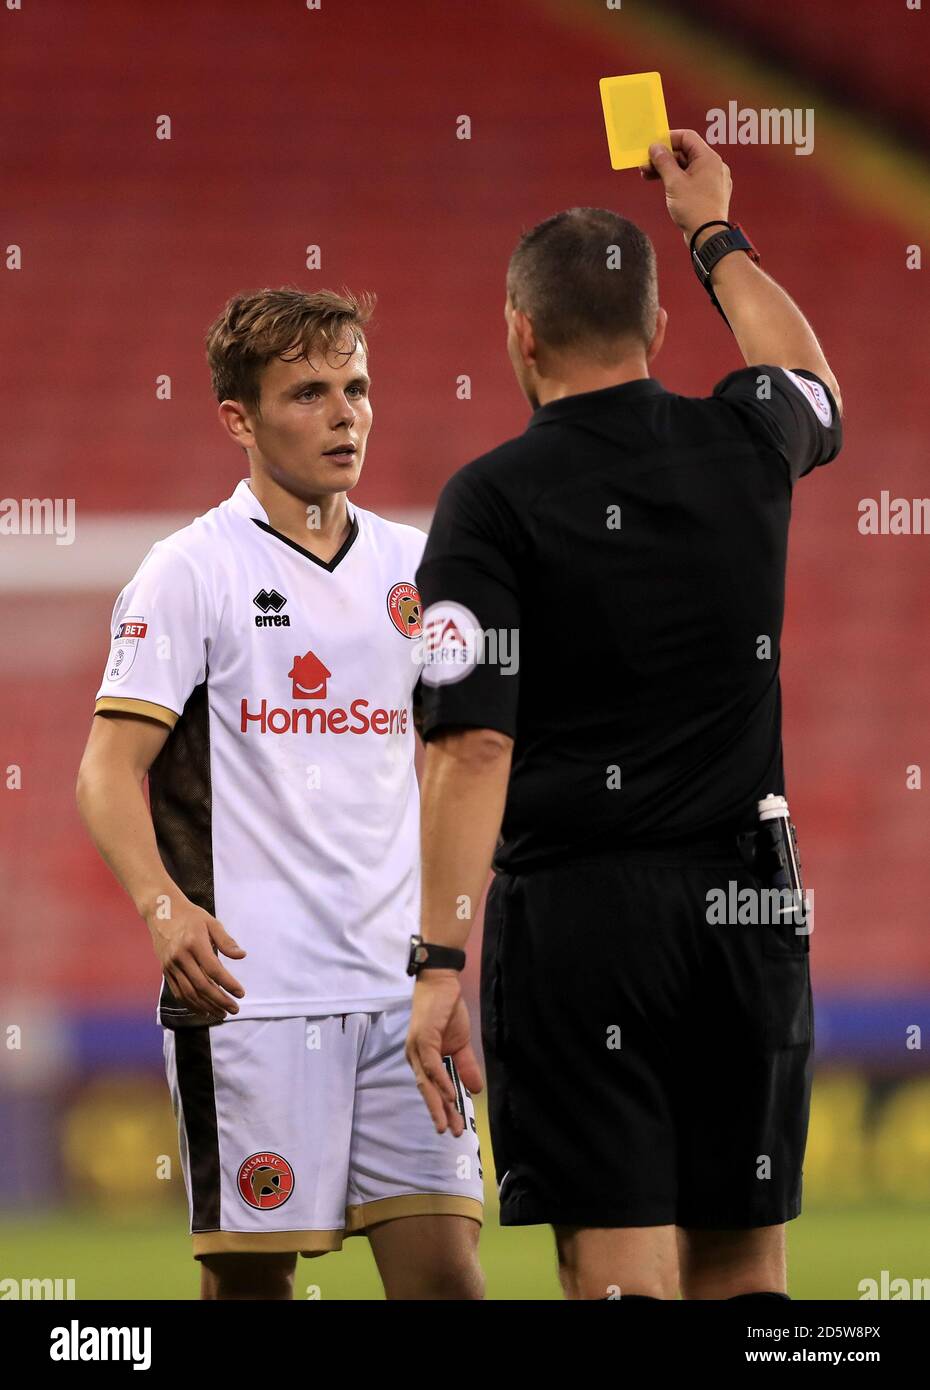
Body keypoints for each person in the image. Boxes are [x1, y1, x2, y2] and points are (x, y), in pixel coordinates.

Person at [405, 129, 843, 1301]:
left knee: (617, 1277)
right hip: (750, 898)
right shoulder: (748, 435)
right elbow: (813, 381)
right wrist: (714, 229)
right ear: (656, 330)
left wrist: (439, 963)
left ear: (520, 330)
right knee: (748, 1270)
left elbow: (474, 738)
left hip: (584, 920)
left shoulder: (490, 502)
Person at [76, 288, 483, 1301]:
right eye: (309, 392)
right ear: (239, 419)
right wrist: (164, 908)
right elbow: (104, 771)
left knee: (447, 1281)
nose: (345, 413)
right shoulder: (191, 572)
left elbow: (454, 770)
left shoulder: (416, 566)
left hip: (400, 995)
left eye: (356, 387)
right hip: (257, 1002)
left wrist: (445, 954)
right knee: (253, 1290)